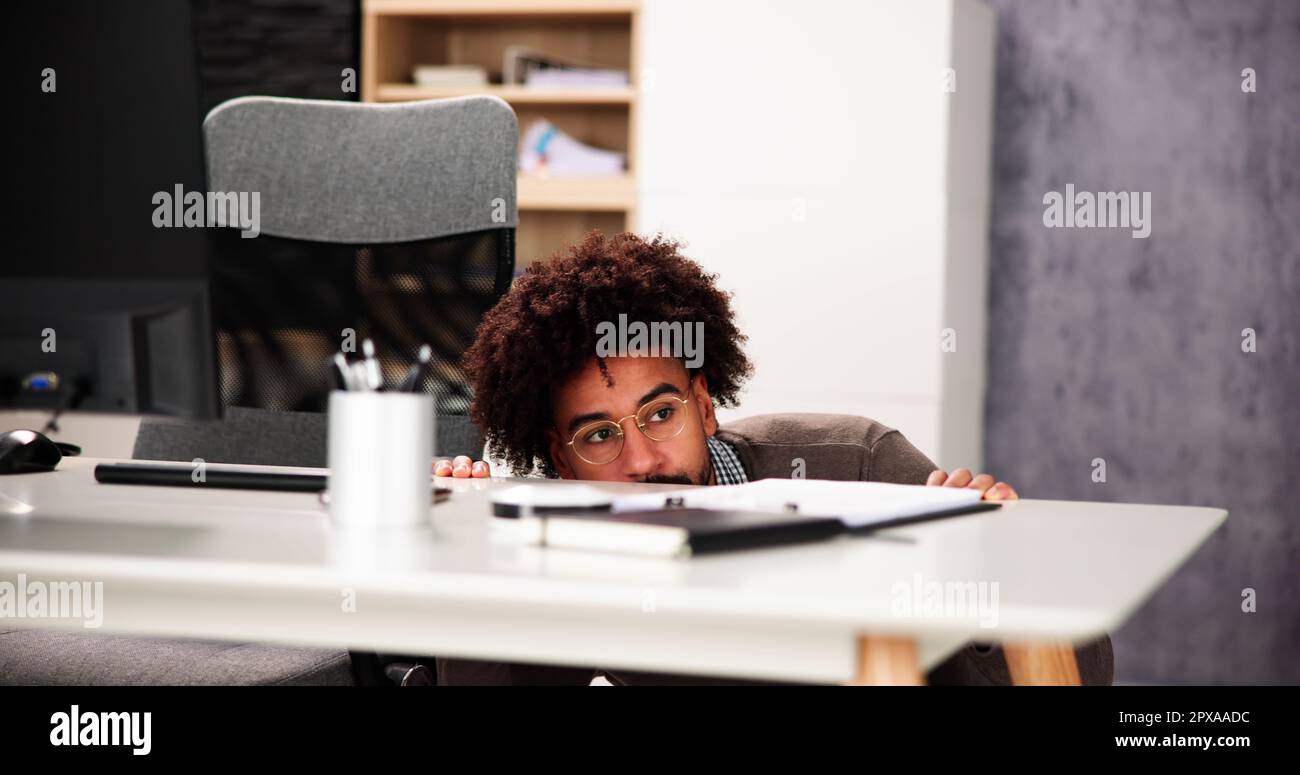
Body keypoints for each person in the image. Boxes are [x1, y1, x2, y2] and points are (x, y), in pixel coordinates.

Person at [433, 231, 1112, 685]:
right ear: (561, 456)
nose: (641, 460)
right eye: (600, 435)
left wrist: (993, 585)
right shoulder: (558, 545)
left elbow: (1088, 663)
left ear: (704, 404)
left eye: (661, 414)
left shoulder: (858, 464)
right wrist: (462, 567)